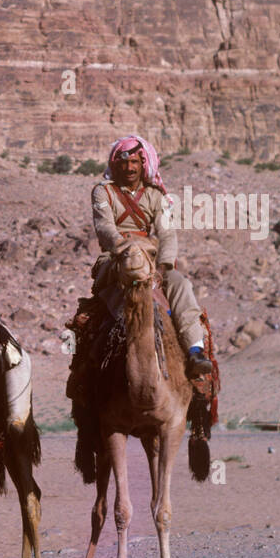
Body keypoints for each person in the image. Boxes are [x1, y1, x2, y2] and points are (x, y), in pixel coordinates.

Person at [90, 135, 212, 378]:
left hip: (150, 258)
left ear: (143, 164)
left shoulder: (156, 196)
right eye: (124, 163)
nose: (129, 168)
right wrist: (126, 249)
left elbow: (166, 232)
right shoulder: (103, 192)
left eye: (134, 162)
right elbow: (105, 228)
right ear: (116, 165)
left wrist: (164, 265)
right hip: (115, 257)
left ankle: (194, 350)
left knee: (180, 284)